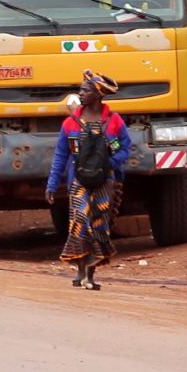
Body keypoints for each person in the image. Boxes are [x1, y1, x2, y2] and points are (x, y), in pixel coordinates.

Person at [45, 70, 131, 290]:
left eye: (85, 90)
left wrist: (108, 165)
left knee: (99, 224)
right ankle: (81, 271)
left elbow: (125, 148)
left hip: (105, 182)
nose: (80, 94)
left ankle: (89, 275)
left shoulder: (113, 121)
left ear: (98, 94)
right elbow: (61, 156)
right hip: (79, 182)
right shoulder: (70, 123)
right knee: (80, 220)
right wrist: (52, 184)